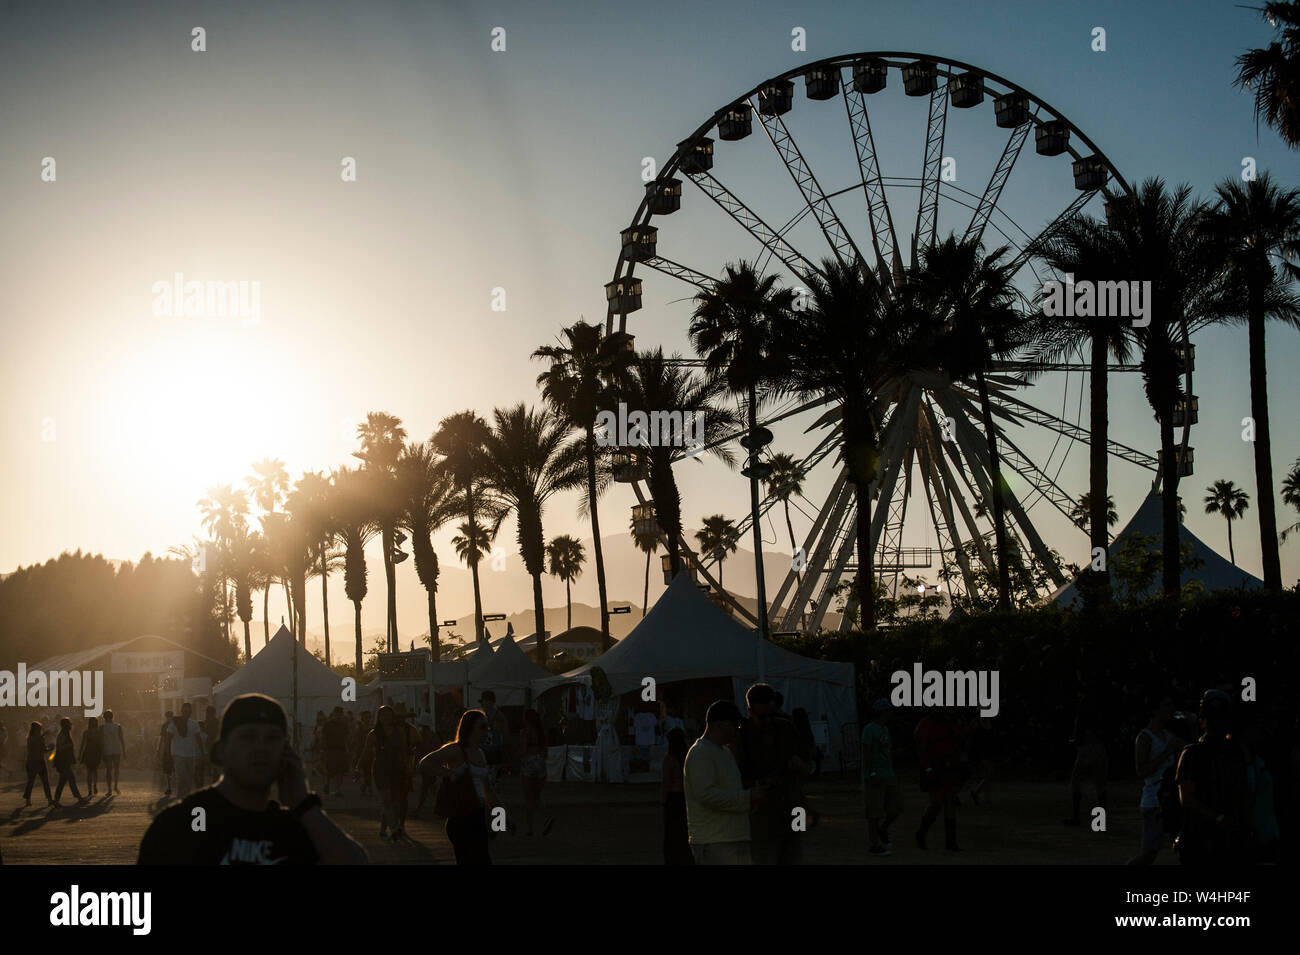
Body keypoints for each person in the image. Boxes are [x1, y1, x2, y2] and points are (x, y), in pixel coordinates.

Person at [138, 693, 368, 864]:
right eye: (247, 737)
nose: (260, 748)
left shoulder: (295, 831)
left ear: (286, 754)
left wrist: (304, 803)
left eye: (271, 738)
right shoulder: (177, 826)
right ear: (221, 751)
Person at [1176, 689, 1252, 866]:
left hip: (1228, 838)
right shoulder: (1192, 754)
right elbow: (1187, 799)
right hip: (1201, 838)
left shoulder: (1235, 753)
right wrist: (1219, 819)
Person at [684, 700, 763, 864]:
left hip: (730, 838)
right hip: (715, 841)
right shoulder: (701, 753)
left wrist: (748, 801)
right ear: (719, 725)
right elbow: (706, 795)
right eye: (735, 726)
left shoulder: (724, 752)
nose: (737, 732)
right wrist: (747, 798)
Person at [738, 683, 808, 864]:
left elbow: (805, 766)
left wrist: (801, 767)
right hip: (762, 811)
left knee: (793, 855)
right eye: (762, 717)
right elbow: (735, 778)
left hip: (791, 805)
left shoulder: (785, 728)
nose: (768, 721)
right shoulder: (741, 736)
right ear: (750, 711)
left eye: (772, 715)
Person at [421, 709, 501, 864]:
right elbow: (425, 764)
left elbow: (488, 792)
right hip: (461, 817)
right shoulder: (456, 750)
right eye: (483, 727)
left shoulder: (480, 753)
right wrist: (449, 773)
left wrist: (503, 820)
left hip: (477, 817)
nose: (487, 731)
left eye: (488, 727)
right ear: (470, 728)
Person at [1128, 694, 1180, 865]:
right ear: (1156, 710)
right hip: (1153, 800)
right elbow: (1141, 770)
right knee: (1148, 855)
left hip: (1169, 797)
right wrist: (1166, 753)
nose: (1171, 709)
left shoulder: (1168, 734)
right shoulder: (1145, 737)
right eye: (1166, 705)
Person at [361, 705, 412, 840]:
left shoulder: (398, 731)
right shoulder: (373, 734)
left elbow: (403, 751)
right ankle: (394, 828)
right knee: (386, 799)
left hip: (396, 768)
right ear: (379, 718)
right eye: (383, 715)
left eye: (388, 715)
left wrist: (407, 767)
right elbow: (366, 752)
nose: (386, 718)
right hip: (380, 768)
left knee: (395, 801)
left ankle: (384, 828)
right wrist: (357, 768)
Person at [914, 708, 961, 850]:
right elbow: (921, 748)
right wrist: (927, 767)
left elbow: (957, 741)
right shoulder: (925, 724)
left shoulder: (948, 723)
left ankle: (951, 842)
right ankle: (921, 833)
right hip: (933, 766)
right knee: (936, 803)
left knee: (949, 801)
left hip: (946, 766)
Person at [862, 699, 902, 856]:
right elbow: (866, 753)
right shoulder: (869, 729)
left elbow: (883, 752)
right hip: (876, 775)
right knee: (874, 812)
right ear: (883, 712)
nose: (890, 713)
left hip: (888, 773)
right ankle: (874, 844)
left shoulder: (885, 729)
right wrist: (871, 772)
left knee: (895, 808)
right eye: (888, 710)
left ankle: (882, 829)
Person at [1063, 696, 1108, 825]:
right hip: (1100, 752)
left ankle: (1076, 816)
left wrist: (1072, 742)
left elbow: (1079, 739)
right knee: (1101, 787)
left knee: (1076, 785)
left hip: (1085, 754)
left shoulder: (1080, 720)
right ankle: (1101, 819)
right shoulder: (1099, 719)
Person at [519, 708, 555, 837]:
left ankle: (531, 827)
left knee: (528, 797)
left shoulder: (525, 732)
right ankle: (543, 819)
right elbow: (546, 752)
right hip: (540, 763)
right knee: (536, 796)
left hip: (529, 763)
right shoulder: (541, 732)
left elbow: (523, 750)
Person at [661, 727, 692, 865]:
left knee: (672, 832)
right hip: (686, 796)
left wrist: (663, 800)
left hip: (673, 797)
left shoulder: (669, 758)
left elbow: (667, 783)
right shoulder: (688, 756)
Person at [167, 703, 203, 798]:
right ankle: (180, 796)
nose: (187, 713)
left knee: (190, 777)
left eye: (188, 711)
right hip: (178, 754)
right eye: (185, 711)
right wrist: (167, 752)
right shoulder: (174, 722)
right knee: (181, 776)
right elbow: (168, 737)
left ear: (191, 712)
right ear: (181, 711)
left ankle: (186, 796)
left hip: (190, 754)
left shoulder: (194, 723)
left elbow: (198, 738)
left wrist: (202, 752)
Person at [52, 718, 86, 807]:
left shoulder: (65, 734)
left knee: (63, 781)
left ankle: (56, 799)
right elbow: (59, 748)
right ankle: (78, 797)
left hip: (64, 761)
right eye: (69, 725)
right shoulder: (62, 735)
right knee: (70, 779)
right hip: (62, 762)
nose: (71, 726)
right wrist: (68, 745)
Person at [479, 691, 511, 781]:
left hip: (494, 749)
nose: (482, 704)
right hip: (484, 749)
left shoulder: (499, 716)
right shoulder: (482, 715)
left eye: (483, 701)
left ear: (489, 702)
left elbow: (505, 733)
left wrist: (505, 746)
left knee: (493, 774)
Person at [322, 706, 352, 798]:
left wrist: (348, 749)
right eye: (337, 713)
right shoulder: (328, 724)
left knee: (340, 771)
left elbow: (347, 737)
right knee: (330, 770)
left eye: (340, 713)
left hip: (341, 749)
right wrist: (323, 749)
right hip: (331, 749)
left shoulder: (344, 724)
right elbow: (323, 737)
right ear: (334, 713)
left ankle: (338, 789)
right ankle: (327, 783)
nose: (339, 715)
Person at [22, 721, 54, 808]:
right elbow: (44, 749)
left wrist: (43, 735)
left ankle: (28, 799)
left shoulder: (29, 738)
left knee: (31, 781)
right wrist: (51, 747)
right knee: (45, 781)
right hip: (39, 761)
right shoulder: (39, 738)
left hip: (31, 761)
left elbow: (36, 742)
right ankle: (49, 799)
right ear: (37, 730)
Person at [101, 710, 125, 795]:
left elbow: (101, 741)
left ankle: (109, 789)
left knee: (108, 769)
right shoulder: (118, 726)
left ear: (104, 717)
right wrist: (124, 751)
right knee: (116, 769)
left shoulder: (102, 727)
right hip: (117, 749)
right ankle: (115, 786)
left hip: (107, 750)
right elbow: (122, 740)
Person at [79, 716, 103, 797]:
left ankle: (90, 789)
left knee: (89, 771)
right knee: (95, 771)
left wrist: (79, 754)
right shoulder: (99, 732)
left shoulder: (86, 732)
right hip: (96, 752)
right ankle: (95, 785)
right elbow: (101, 744)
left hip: (88, 752)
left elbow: (82, 744)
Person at [157, 711, 175, 795]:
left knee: (169, 769)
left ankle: (170, 787)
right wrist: (159, 749)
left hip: (170, 749)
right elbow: (162, 739)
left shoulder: (167, 725)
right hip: (172, 748)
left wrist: (159, 749)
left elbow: (162, 739)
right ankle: (170, 787)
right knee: (169, 769)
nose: (169, 718)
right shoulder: (167, 726)